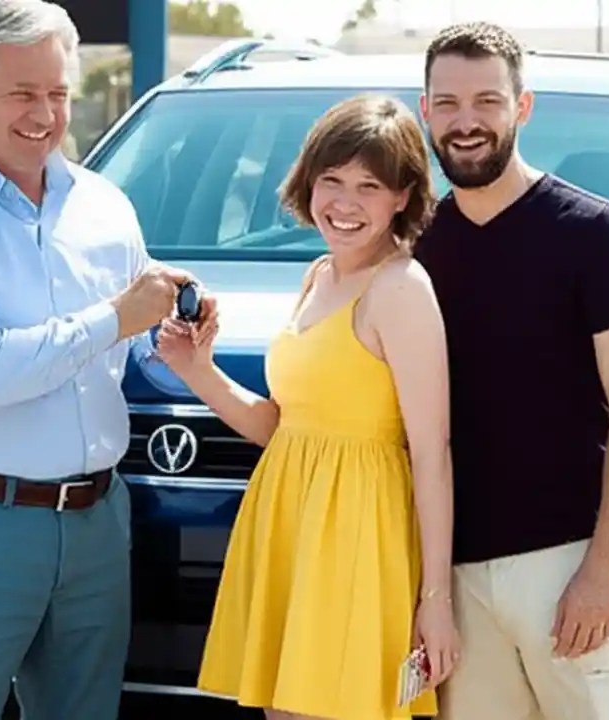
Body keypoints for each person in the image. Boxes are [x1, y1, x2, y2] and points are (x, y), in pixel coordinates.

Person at [0, 1, 216, 718]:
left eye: (58, 92)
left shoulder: (105, 206)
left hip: (95, 523)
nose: (46, 115)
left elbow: (130, 340)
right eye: (23, 93)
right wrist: (116, 317)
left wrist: (178, 324)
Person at [156, 94, 460, 720]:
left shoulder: (401, 288)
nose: (345, 204)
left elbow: (432, 455)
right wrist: (196, 369)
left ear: (402, 197)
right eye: (333, 180)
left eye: (369, 186)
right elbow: (281, 426)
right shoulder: (319, 274)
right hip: (291, 523)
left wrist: (435, 599)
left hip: (359, 536)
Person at [412, 21, 609, 720]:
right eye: (447, 103)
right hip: (458, 583)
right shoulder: (418, 249)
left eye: (487, 102)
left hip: (572, 566)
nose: (466, 122)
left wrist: (603, 571)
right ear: (426, 110)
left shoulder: (596, 235)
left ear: (522, 107)